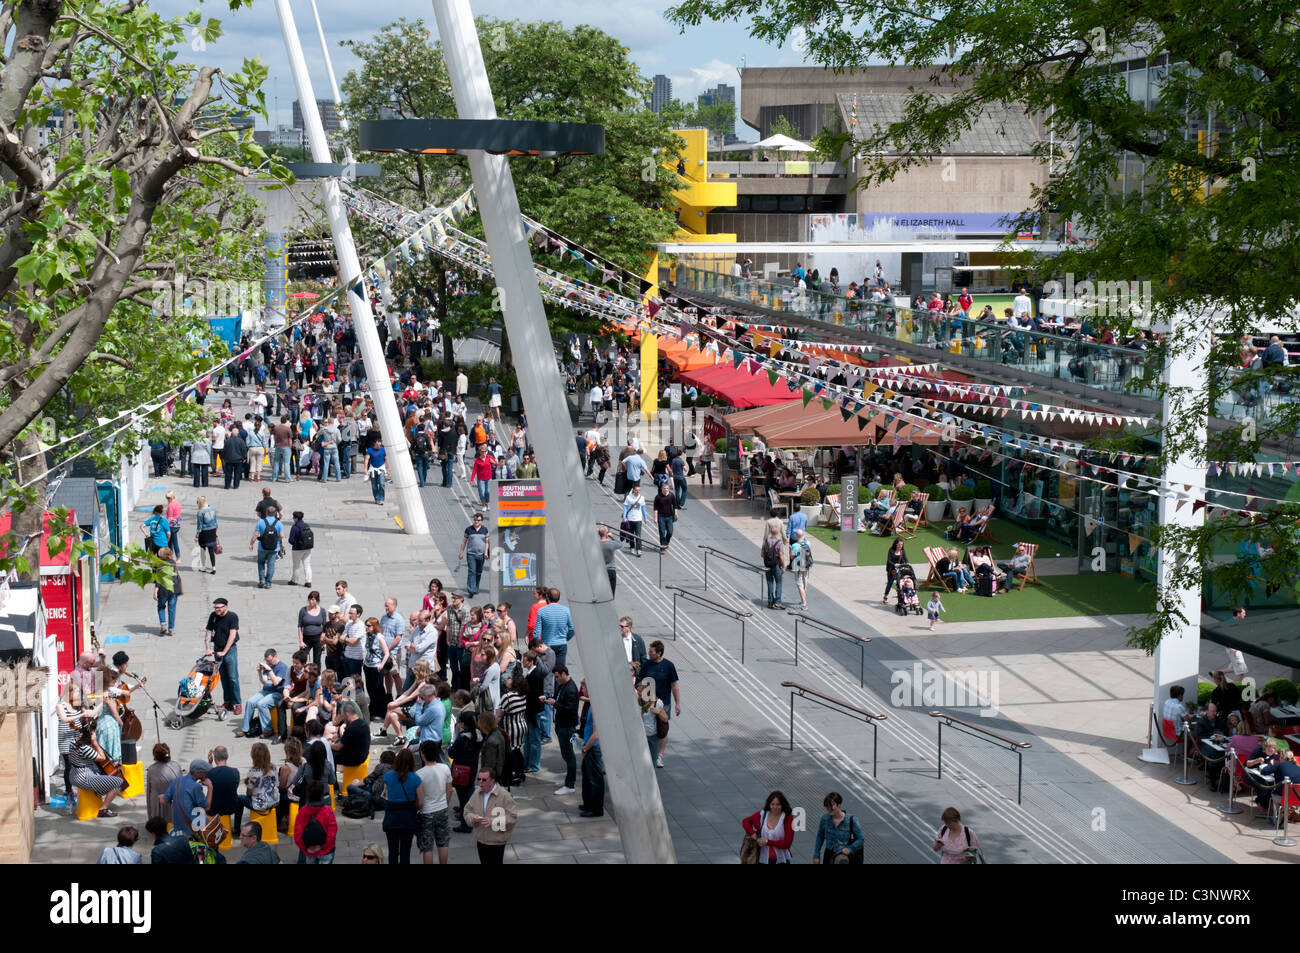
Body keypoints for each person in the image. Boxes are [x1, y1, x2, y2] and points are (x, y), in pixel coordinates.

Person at [464, 766, 517, 863]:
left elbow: (512, 817)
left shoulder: (505, 796)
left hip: (497, 841)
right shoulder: (477, 793)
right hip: (481, 839)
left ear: (492, 781)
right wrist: (473, 818)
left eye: (484, 780)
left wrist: (493, 821)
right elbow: (467, 811)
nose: (480, 782)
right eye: (478, 779)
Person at [380, 747, 424, 865]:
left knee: (392, 851)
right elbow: (421, 802)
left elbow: (386, 795)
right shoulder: (416, 778)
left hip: (392, 817)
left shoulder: (388, 776)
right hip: (408, 818)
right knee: (406, 852)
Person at [416, 739, 453, 864]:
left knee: (427, 846)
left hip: (426, 812)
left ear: (423, 754)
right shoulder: (445, 768)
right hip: (442, 808)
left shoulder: (419, 774)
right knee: (443, 843)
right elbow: (449, 790)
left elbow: (419, 797)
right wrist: (445, 804)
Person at [237, 648, 289, 738]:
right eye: (267, 661)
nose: (268, 663)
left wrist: (270, 670)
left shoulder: (283, 667)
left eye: (269, 661)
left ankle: (268, 729)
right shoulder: (268, 665)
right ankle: (245, 729)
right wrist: (259, 672)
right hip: (266, 691)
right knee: (250, 702)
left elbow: (276, 682)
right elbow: (264, 681)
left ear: (275, 656)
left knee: (261, 704)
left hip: (277, 692)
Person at [204, 598, 241, 714]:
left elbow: (232, 635)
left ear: (225, 606)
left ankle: (237, 703)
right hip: (217, 649)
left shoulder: (232, 616)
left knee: (233, 678)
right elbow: (209, 631)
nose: (217, 610)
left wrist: (225, 651)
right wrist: (207, 648)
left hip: (229, 650)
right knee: (224, 677)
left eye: (219, 607)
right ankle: (228, 702)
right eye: (215, 608)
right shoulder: (213, 616)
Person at [234, 742, 278, 833]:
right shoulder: (273, 767)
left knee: (239, 799)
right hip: (274, 802)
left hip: (259, 805)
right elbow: (276, 784)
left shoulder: (252, 772)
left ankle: (236, 828)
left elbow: (248, 793)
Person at [448, 712, 482, 832]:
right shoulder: (479, 735)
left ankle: (465, 825)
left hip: (461, 772)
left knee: (463, 800)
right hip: (472, 770)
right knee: (470, 794)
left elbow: (451, 753)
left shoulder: (462, 737)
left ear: (463, 723)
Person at [743, 791, 795, 864]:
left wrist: (767, 842)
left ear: (783, 805)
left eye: (778, 804)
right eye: (772, 804)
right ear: (769, 804)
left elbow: (787, 844)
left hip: (781, 861)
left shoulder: (788, 819)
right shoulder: (763, 815)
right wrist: (753, 834)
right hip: (762, 859)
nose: (775, 807)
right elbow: (745, 821)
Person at [161, 758, 213, 832]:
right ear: (197, 773)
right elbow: (207, 807)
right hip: (193, 827)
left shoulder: (177, 781)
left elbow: (164, 800)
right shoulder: (196, 787)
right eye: (204, 772)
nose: (206, 774)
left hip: (178, 826)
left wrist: (160, 796)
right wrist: (210, 787)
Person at [812, 792, 864, 864]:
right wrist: (816, 855)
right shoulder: (825, 819)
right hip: (829, 855)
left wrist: (850, 849)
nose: (829, 809)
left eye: (832, 806)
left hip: (844, 858)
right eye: (827, 806)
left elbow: (860, 839)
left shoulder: (852, 820)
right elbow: (820, 837)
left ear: (839, 805)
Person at [294, 780, 338, 864]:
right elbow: (332, 832)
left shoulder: (303, 812)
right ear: (322, 795)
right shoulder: (328, 810)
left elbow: (297, 834)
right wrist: (322, 846)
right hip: (326, 851)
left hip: (309, 852)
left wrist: (306, 848)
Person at [534, 587, 575, 668]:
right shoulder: (566, 610)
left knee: (548, 671)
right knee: (560, 669)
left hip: (547, 644)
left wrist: (536, 646)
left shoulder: (541, 611)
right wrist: (566, 638)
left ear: (547, 598)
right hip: (561, 644)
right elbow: (572, 629)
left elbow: (537, 632)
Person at [145, 743, 182, 822]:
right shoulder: (177, 766)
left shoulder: (151, 769)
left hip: (158, 802)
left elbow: (148, 792)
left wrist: (150, 817)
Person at [249, 505, 284, 589]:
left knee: (261, 563)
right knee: (271, 565)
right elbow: (282, 535)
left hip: (262, 547)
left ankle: (262, 580)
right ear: (275, 513)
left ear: (267, 512)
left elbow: (256, 534)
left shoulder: (261, 521)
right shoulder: (278, 522)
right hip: (274, 547)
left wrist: (251, 544)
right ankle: (268, 583)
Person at [637, 678, 668, 762]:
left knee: (652, 760)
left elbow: (665, 719)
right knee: (640, 760)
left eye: (640, 691)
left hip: (652, 735)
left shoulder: (657, 702)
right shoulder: (636, 701)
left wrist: (658, 712)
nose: (638, 693)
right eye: (638, 690)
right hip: (639, 735)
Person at [459, 512, 490, 596]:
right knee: (471, 571)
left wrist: (486, 552)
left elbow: (487, 542)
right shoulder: (469, 529)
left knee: (478, 572)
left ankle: (476, 588)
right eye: (475, 520)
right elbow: (464, 541)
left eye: (478, 520)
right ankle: (470, 590)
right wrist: (461, 552)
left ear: (482, 521)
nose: (476, 522)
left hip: (481, 554)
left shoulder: (485, 530)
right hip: (471, 554)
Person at [153, 546, 182, 636]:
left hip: (163, 589)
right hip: (174, 589)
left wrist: (155, 591)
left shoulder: (159, 564)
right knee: (172, 609)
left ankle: (163, 624)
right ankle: (171, 629)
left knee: (161, 606)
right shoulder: (173, 563)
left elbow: (158, 580)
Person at [760, 524, 787, 609]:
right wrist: (783, 566)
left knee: (769, 582)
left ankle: (770, 601)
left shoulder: (765, 541)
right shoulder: (779, 543)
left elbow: (762, 554)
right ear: (778, 533)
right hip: (776, 565)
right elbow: (781, 556)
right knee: (779, 582)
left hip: (767, 565)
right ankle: (778, 602)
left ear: (770, 533)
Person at [288, 510, 314, 587]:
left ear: (296, 518)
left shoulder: (295, 527)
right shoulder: (307, 525)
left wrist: (294, 544)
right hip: (307, 548)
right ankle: (308, 581)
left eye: (293, 517)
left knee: (296, 565)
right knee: (307, 565)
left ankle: (294, 581)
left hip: (297, 549)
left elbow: (291, 540)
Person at [621, 483, 647, 556]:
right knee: (631, 535)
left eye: (639, 490)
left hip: (638, 519)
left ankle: (639, 549)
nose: (638, 492)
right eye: (636, 490)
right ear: (633, 490)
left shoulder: (641, 498)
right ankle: (632, 547)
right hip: (630, 519)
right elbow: (625, 508)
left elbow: (643, 509)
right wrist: (624, 517)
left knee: (638, 535)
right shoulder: (629, 497)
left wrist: (645, 518)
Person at [788, 529, 811, 609]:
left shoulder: (794, 545)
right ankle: (803, 599)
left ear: (796, 536)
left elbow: (792, 556)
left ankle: (804, 603)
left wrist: (791, 549)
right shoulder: (808, 543)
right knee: (805, 583)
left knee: (799, 584)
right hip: (806, 565)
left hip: (797, 566)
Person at [194, 496, 218, 574]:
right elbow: (215, 522)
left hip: (204, 533)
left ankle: (203, 567)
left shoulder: (200, 512)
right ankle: (214, 567)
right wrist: (216, 532)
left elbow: (199, 526)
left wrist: (196, 536)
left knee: (203, 550)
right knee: (211, 550)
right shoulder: (212, 509)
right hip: (212, 531)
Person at [653, 480, 678, 553]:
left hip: (669, 517)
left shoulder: (671, 495)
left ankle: (666, 542)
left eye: (667, 488)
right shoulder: (658, 497)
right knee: (662, 532)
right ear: (661, 488)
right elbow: (655, 508)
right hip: (661, 517)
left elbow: (675, 505)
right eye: (665, 488)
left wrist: (676, 513)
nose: (666, 489)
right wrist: (655, 518)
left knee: (670, 532)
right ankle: (662, 548)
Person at [366, 437, 388, 504]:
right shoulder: (370, 450)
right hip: (373, 469)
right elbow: (366, 459)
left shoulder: (383, 449)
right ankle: (377, 498)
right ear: (375, 443)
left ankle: (381, 499)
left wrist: (388, 469)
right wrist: (365, 469)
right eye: (379, 442)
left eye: (380, 442)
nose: (380, 444)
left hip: (381, 468)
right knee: (374, 485)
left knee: (382, 483)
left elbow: (386, 459)